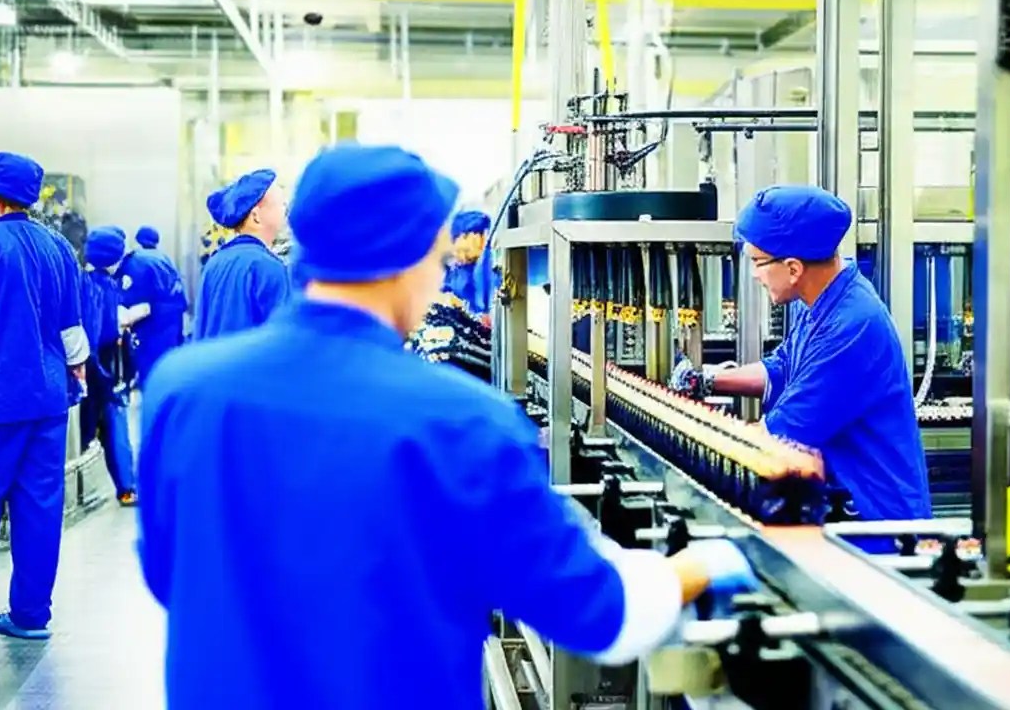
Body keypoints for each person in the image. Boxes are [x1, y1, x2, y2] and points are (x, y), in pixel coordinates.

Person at [137, 145, 759, 709]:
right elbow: (599, 616)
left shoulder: (182, 390)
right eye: (436, 257)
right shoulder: (462, 421)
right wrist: (703, 563)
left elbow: (169, 577)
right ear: (406, 261)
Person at [673, 185, 931, 527]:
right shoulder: (821, 299)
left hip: (877, 527)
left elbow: (781, 434)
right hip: (839, 510)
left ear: (793, 268)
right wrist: (707, 380)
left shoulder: (852, 326)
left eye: (758, 263)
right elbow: (783, 368)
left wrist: (687, 441)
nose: (754, 275)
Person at [0, 151, 89, 640]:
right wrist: (76, 379)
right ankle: (30, 615)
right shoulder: (58, 248)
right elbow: (73, 331)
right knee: (40, 506)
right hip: (49, 398)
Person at [193, 168, 290, 340]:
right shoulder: (268, 267)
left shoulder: (214, 263)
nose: (286, 209)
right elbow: (281, 342)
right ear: (256, 216)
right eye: (281, 204)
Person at [79, 227, 138, 506]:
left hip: (92, 367)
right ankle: (126, 486)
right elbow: (96, 332)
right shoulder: (99, 287)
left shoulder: (85, 281)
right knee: (112, 421)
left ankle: (126, 485)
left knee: (93, 426)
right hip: (100, 367)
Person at [116, 226, 188, 386]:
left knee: (148, 363)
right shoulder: (165, 259)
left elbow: (131, 293)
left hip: (150, 319)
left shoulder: (134, 261)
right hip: (173, 316)